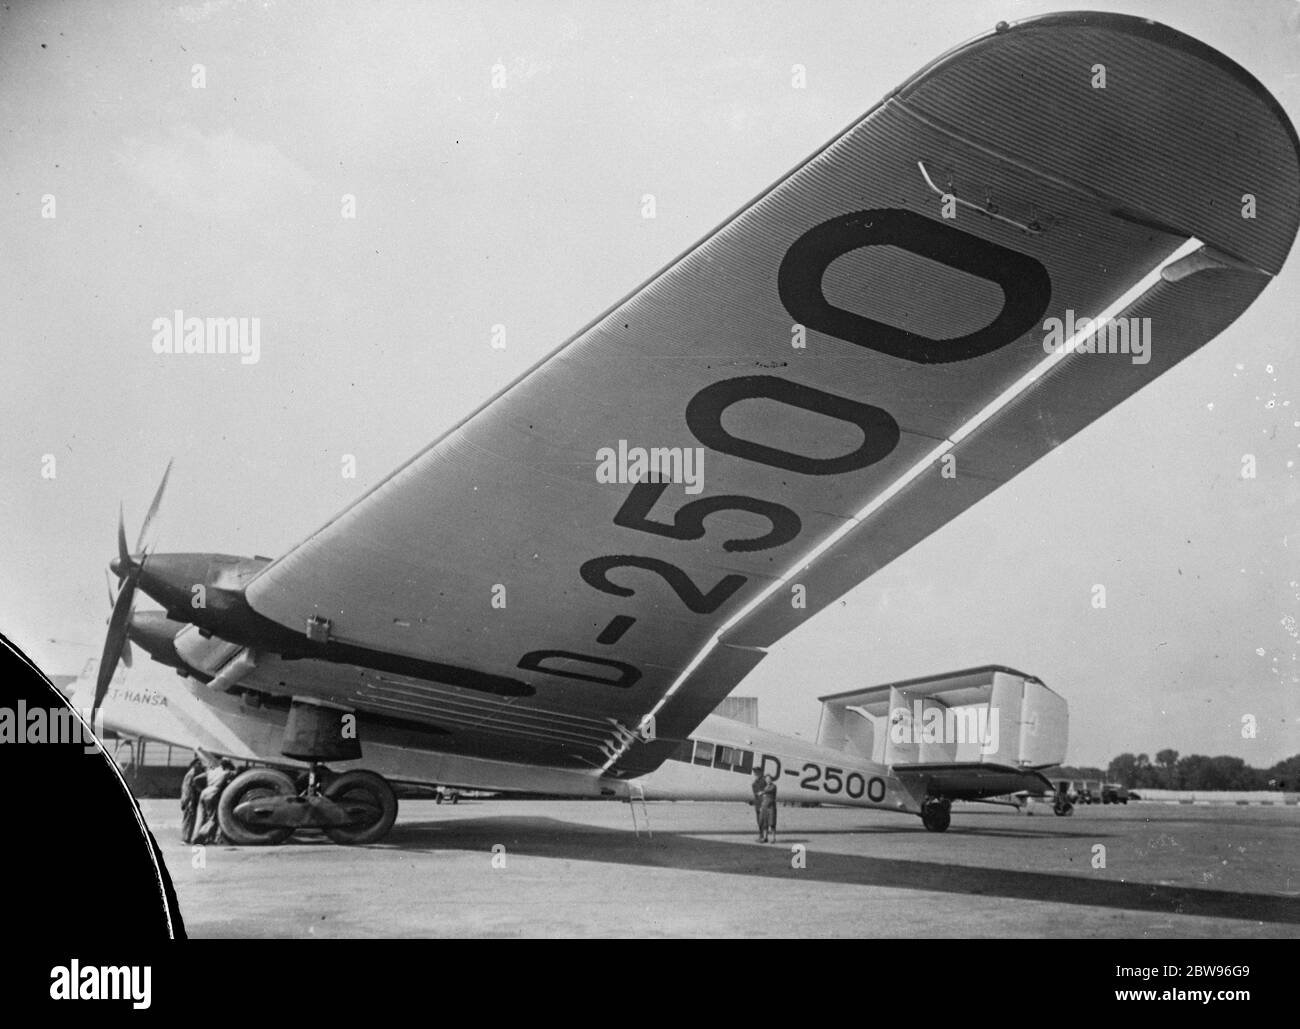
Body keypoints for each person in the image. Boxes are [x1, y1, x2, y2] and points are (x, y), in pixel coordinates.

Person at [179, 756, 206, 844]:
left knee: (190, 818)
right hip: (189, 800)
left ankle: (187, 837)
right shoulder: (192, 774)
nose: (200, 765)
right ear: (194, 764)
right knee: (188, 819)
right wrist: (188, 801)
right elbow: (188, 790)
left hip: (190, 799)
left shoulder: (193, 773)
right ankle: (185, 838)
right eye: (198, 764)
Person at [758, 774, 778, 843]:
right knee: (764, 823)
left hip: (771, 807)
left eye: (769, 779)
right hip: (765, 807)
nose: (768, 780)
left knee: (772, 823)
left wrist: (762, 792)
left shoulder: (773, 786)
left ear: (771, 780)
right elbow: (764, 797)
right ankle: (765, 837)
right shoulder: (766, 787)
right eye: (766, 779)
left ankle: (773, 838)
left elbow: (770, 791)